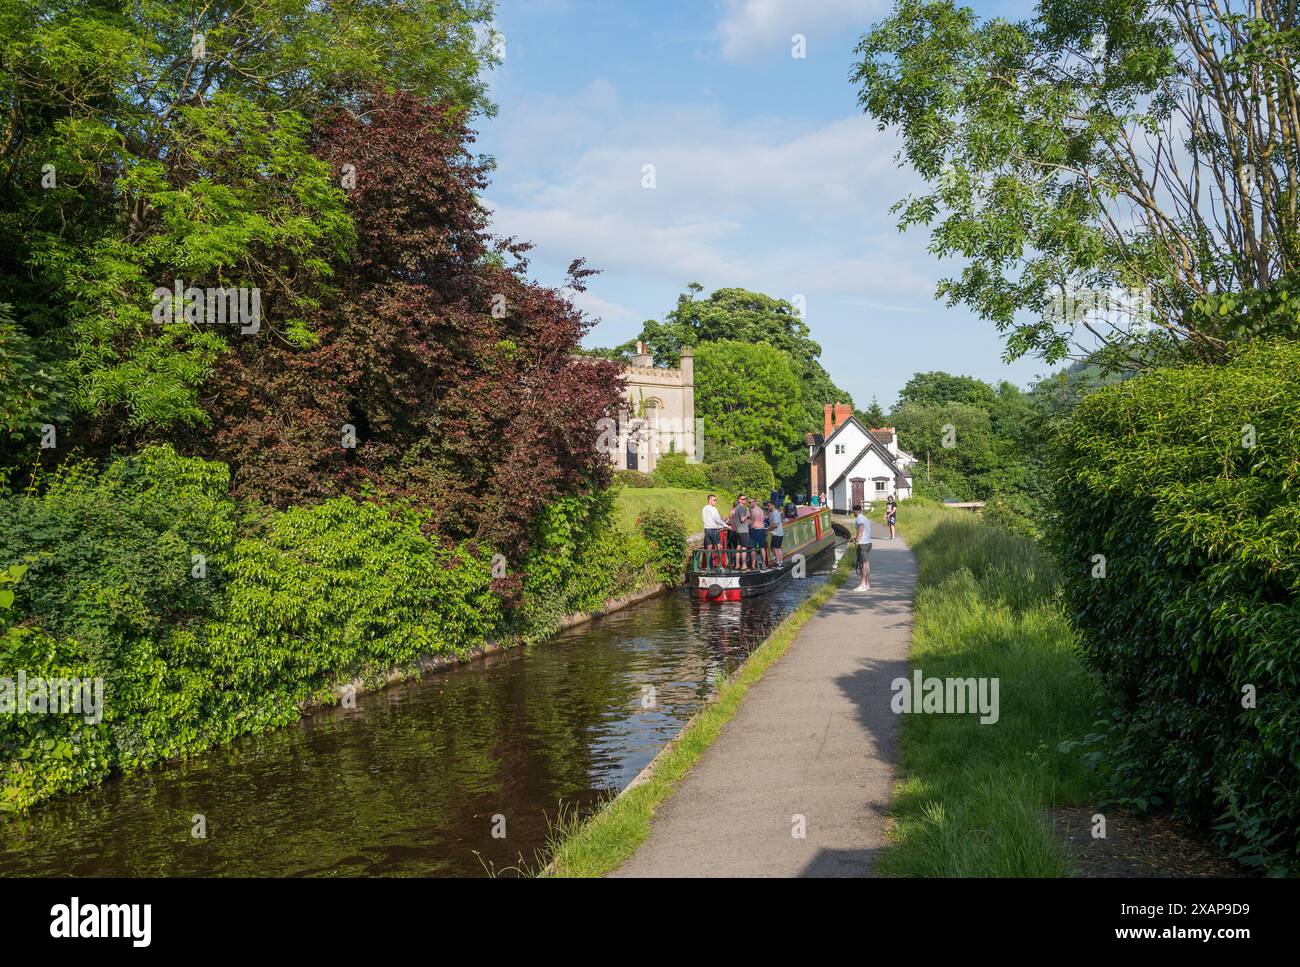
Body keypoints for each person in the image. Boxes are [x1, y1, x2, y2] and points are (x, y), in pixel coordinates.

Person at [701, 494, 730, 566]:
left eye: (716, 500)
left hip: (707, 530)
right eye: (714, 500)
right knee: (719, 547)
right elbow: (717, 519)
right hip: (714, 530)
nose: (715, 501)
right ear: (709, 500)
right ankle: (720, 566)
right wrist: (727, 526)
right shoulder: (713, 509)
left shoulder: (704, 508)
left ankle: (708, 566)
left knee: (709, 548)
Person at [852, 502, 872, 591]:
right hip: (868, 543)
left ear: (856, 511)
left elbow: (861, 528)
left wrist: (857, 540)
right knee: (866, 564)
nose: (853, 513)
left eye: (853, 512)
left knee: (863, 565)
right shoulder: (865, 518)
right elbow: (863, 530)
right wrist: (855, 537)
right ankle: (867, 584)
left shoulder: (859, 519)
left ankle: (863, 584)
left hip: (863, 544)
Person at [729, 495, 750, 570]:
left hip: (738, 531)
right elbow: (742, 519)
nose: (745, 500)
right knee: (744, 548)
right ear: (739, 500)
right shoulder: (741, 508)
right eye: (743, 499)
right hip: (743, 531)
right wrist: (747, 515)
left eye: (745, 499)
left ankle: (737, 564)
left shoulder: (737, 509)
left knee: (738, 547)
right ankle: (744, 565)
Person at [748, 496, 767, 568]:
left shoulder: (753, 510)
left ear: (754, 502)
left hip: (754, 530)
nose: (749, 504)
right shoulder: (761, 510)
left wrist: (745, 524)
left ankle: (753, 564)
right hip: (761, 529)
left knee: (753, 548)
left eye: (750, 502)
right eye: (748, 503)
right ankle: (764, 563)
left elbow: (752, 521)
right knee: (762, 547)